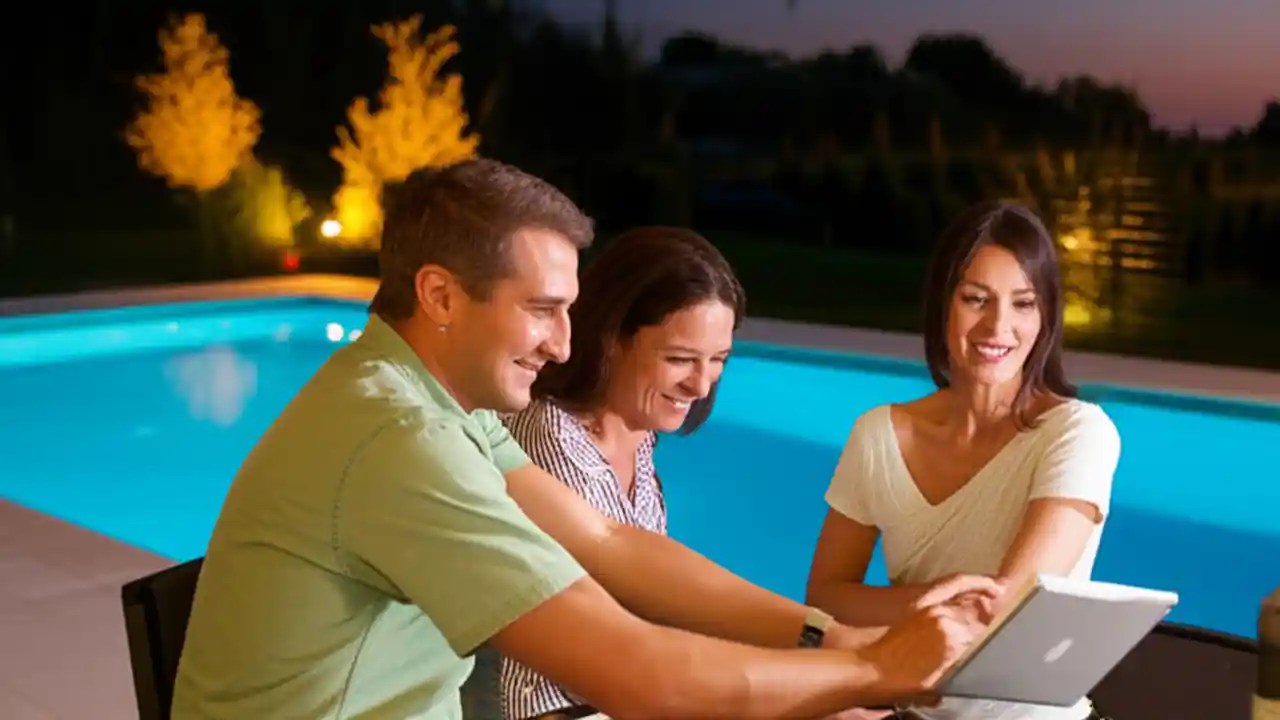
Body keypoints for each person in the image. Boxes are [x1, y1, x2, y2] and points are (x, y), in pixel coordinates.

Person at [172, 158, 997, 720]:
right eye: (541, 309)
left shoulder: (436, 407)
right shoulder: (401, 436)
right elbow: (638, 676)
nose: (566, 345)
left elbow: (611, 542)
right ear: (441, 295)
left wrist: (831, 636)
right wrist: (877, 671)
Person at [806, 201, 1122, 720]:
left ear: (1045, 317)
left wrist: (907, 611)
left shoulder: (1078, 434)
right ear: (942, 306)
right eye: (977, 299)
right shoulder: (879, 436)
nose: (999, 326)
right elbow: (825, 596)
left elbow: (1005, 610)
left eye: (1023, 303)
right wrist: (937, 599)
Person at [496, 226, 742, 719]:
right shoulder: (553, 441)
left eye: (717, 360)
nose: (700, 384)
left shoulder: (635, 429)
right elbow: (633, 629)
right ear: (613, 339)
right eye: (679, 359)